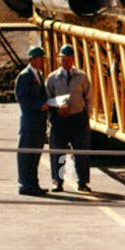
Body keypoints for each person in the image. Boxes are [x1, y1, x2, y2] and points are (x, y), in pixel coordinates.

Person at [45, 43, 92, 193]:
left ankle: (82, 182)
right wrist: (55, 113)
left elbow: (89, 97)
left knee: (81, 152)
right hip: (60, 121)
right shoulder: (52, 78)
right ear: (59, 59)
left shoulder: (82, 77)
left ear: (73, 59)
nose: (65, 61)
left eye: (68, 58)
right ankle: (58, 181)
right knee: (58, 153)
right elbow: (47, 98)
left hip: (78, 119)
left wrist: (86, 116)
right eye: (62, 59)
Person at [14, 45, 49, 196]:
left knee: (35, 155)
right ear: (33, 59)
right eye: (40, 59)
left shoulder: (38, 75)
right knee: (26, 154)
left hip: (39, 123)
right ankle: (25, 184)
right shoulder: (25, 76)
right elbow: (22, 98)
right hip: (29, 122)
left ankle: (33, 184)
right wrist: (39, 105)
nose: (43, 61)